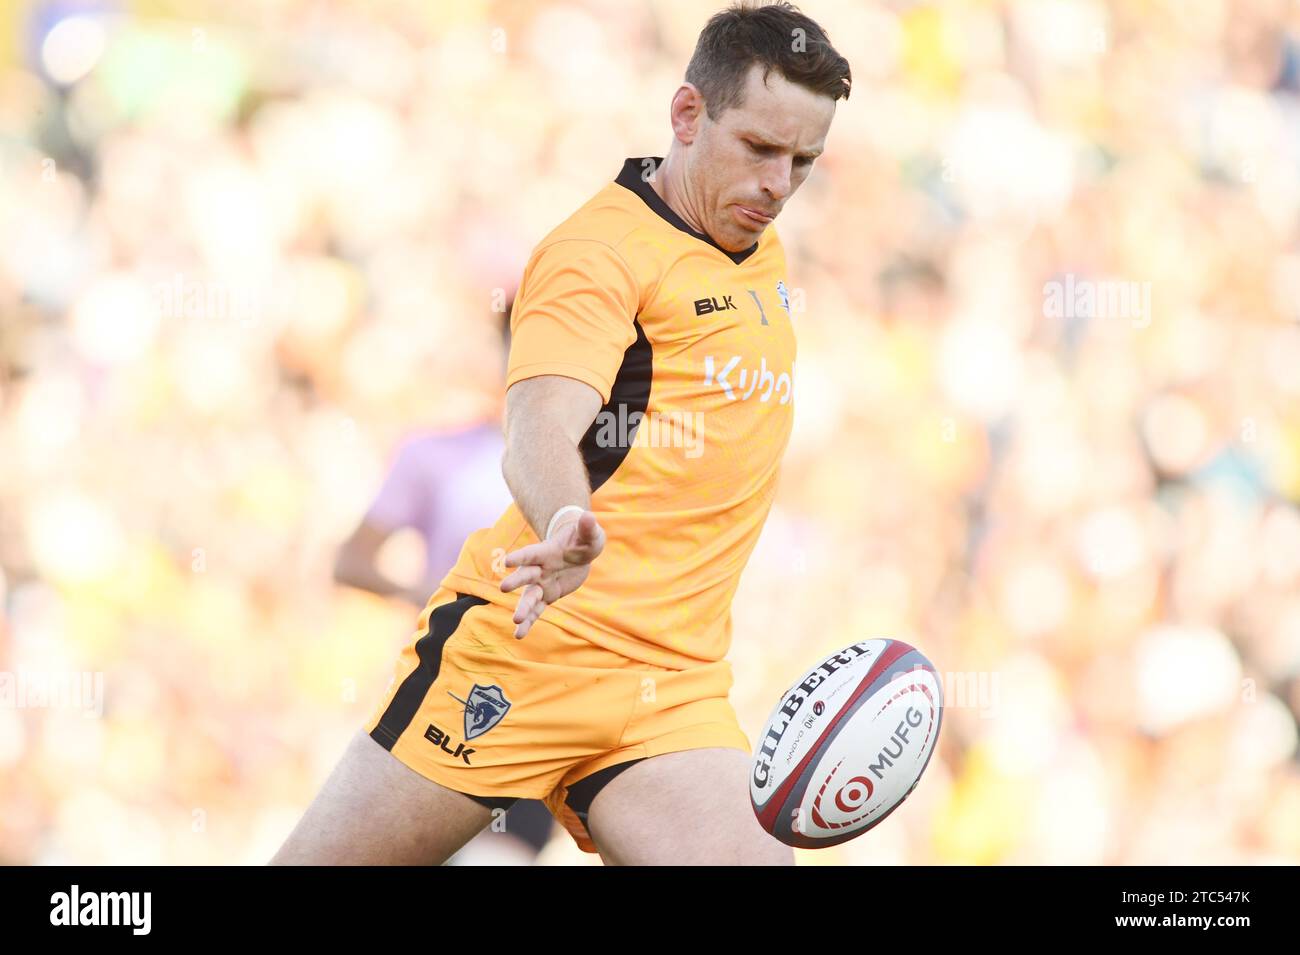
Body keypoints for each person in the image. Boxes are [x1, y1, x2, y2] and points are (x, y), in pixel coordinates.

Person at [273, 0, 850, 866]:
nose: (778, 183)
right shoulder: (598, 252)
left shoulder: (754, 243)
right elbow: (540, 422)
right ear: (687, 115)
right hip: (532, 647)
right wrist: (564, 522)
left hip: (673, 689)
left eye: (803, 161)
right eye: (760, 149)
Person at [331, 301, 558, 865]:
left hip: (544, 711)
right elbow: (349, 560)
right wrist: (435, 596)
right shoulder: (436, 454)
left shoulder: (595, 469)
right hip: (444, 695)